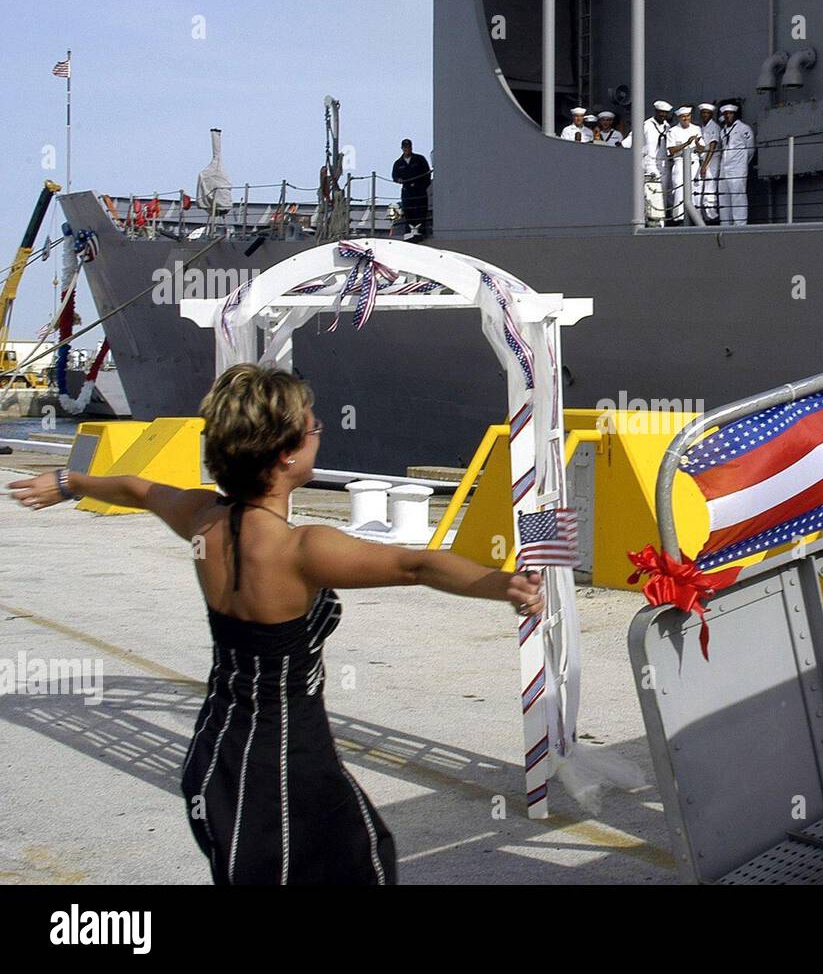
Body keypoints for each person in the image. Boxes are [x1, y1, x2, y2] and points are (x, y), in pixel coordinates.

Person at [7, 364, 544, 884]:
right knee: (360, 860)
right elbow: (416, 565)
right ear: (287, 454)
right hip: (285, 764)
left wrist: (70, 481)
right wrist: (502, 584)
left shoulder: (202, 519)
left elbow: (137, 488)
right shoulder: (300, 548)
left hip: (217, 752)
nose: (319, 434)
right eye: (313, 427)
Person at [717, 104, 755, 226]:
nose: (727, 116)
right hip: (725, 167)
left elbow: (750, 149)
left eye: (730, 113)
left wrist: (742, 163)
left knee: (738, 195)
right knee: (724, 196)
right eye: (725, 114)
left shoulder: (744, 129)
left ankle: (740, 223)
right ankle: (725, 223)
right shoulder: (723, 131)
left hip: (737, 168)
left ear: (734, 114)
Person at [666, 106, 705, 224]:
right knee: (679, 189)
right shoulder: (673, 131)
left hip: (694, 163)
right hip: (680, 162)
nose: (686, 118)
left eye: (688, 116)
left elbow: (702, 149)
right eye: (683, 117)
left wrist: (697, 144)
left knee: (695, 191)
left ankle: (695, 217)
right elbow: (671, 150)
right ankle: (679, 218)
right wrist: (687, 143)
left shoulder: (696, 129)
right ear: (679, 118)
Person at [638, 100, 674, 225]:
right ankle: (651, 221)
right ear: (656, 112)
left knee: (663, 194)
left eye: (665, 113)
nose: (663, 115)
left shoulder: (667, 127)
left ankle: (661, 223)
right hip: (650, 163)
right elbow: (633, 140)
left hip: (664, 164)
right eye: (661, 112)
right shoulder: (646, 125)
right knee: (651, 193)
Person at [391, 139, 431, 240]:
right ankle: (410, 232)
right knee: (408, 212)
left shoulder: (419, 159)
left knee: (420, 211)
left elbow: (427, 175)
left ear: (411, 147)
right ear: (402, 148)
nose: (406, 149)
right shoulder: (398, 163)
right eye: (404, 147)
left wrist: (421, 186)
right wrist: (399, 180)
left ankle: (421, 232)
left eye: (408, 147)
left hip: (419, 191)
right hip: (407, 191)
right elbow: (394, 176)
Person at [697, 103, 721, 224]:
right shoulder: (702, 127)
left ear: (711, 115)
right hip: (704, 161)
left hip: (712, 161)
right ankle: (706, 217)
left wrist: (704, 166)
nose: (704, 115)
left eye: (707, 113)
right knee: (703, 191)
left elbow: (712, 147)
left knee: (709, 191)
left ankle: (713, 217)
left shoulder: (713, 127)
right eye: (703, 113)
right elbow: (704, 147)